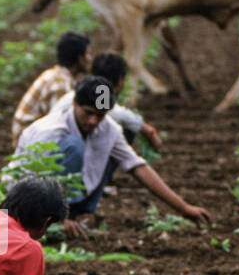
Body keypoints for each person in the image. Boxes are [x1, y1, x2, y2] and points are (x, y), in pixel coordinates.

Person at [13, 76, 211, 239]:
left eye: (100, 115)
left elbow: (138, 167)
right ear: (74, 104)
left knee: (111, 149)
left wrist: (184, 208)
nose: (93, 121)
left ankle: (75, 217)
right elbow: (25, 181)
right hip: (28, 201)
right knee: (74, 146)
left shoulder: (109, 128)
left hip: (71, 194)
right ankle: (55, 224)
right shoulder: (50, 131)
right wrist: (53, 219)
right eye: (88, 113)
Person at [11, 31, 92, 145]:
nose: (90, 59)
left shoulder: (56, 74)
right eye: (88, 54)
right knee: (74, 144)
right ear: (79, 58)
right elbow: (60, 124)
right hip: (28, 140)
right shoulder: (60, 84)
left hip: (28, 133)